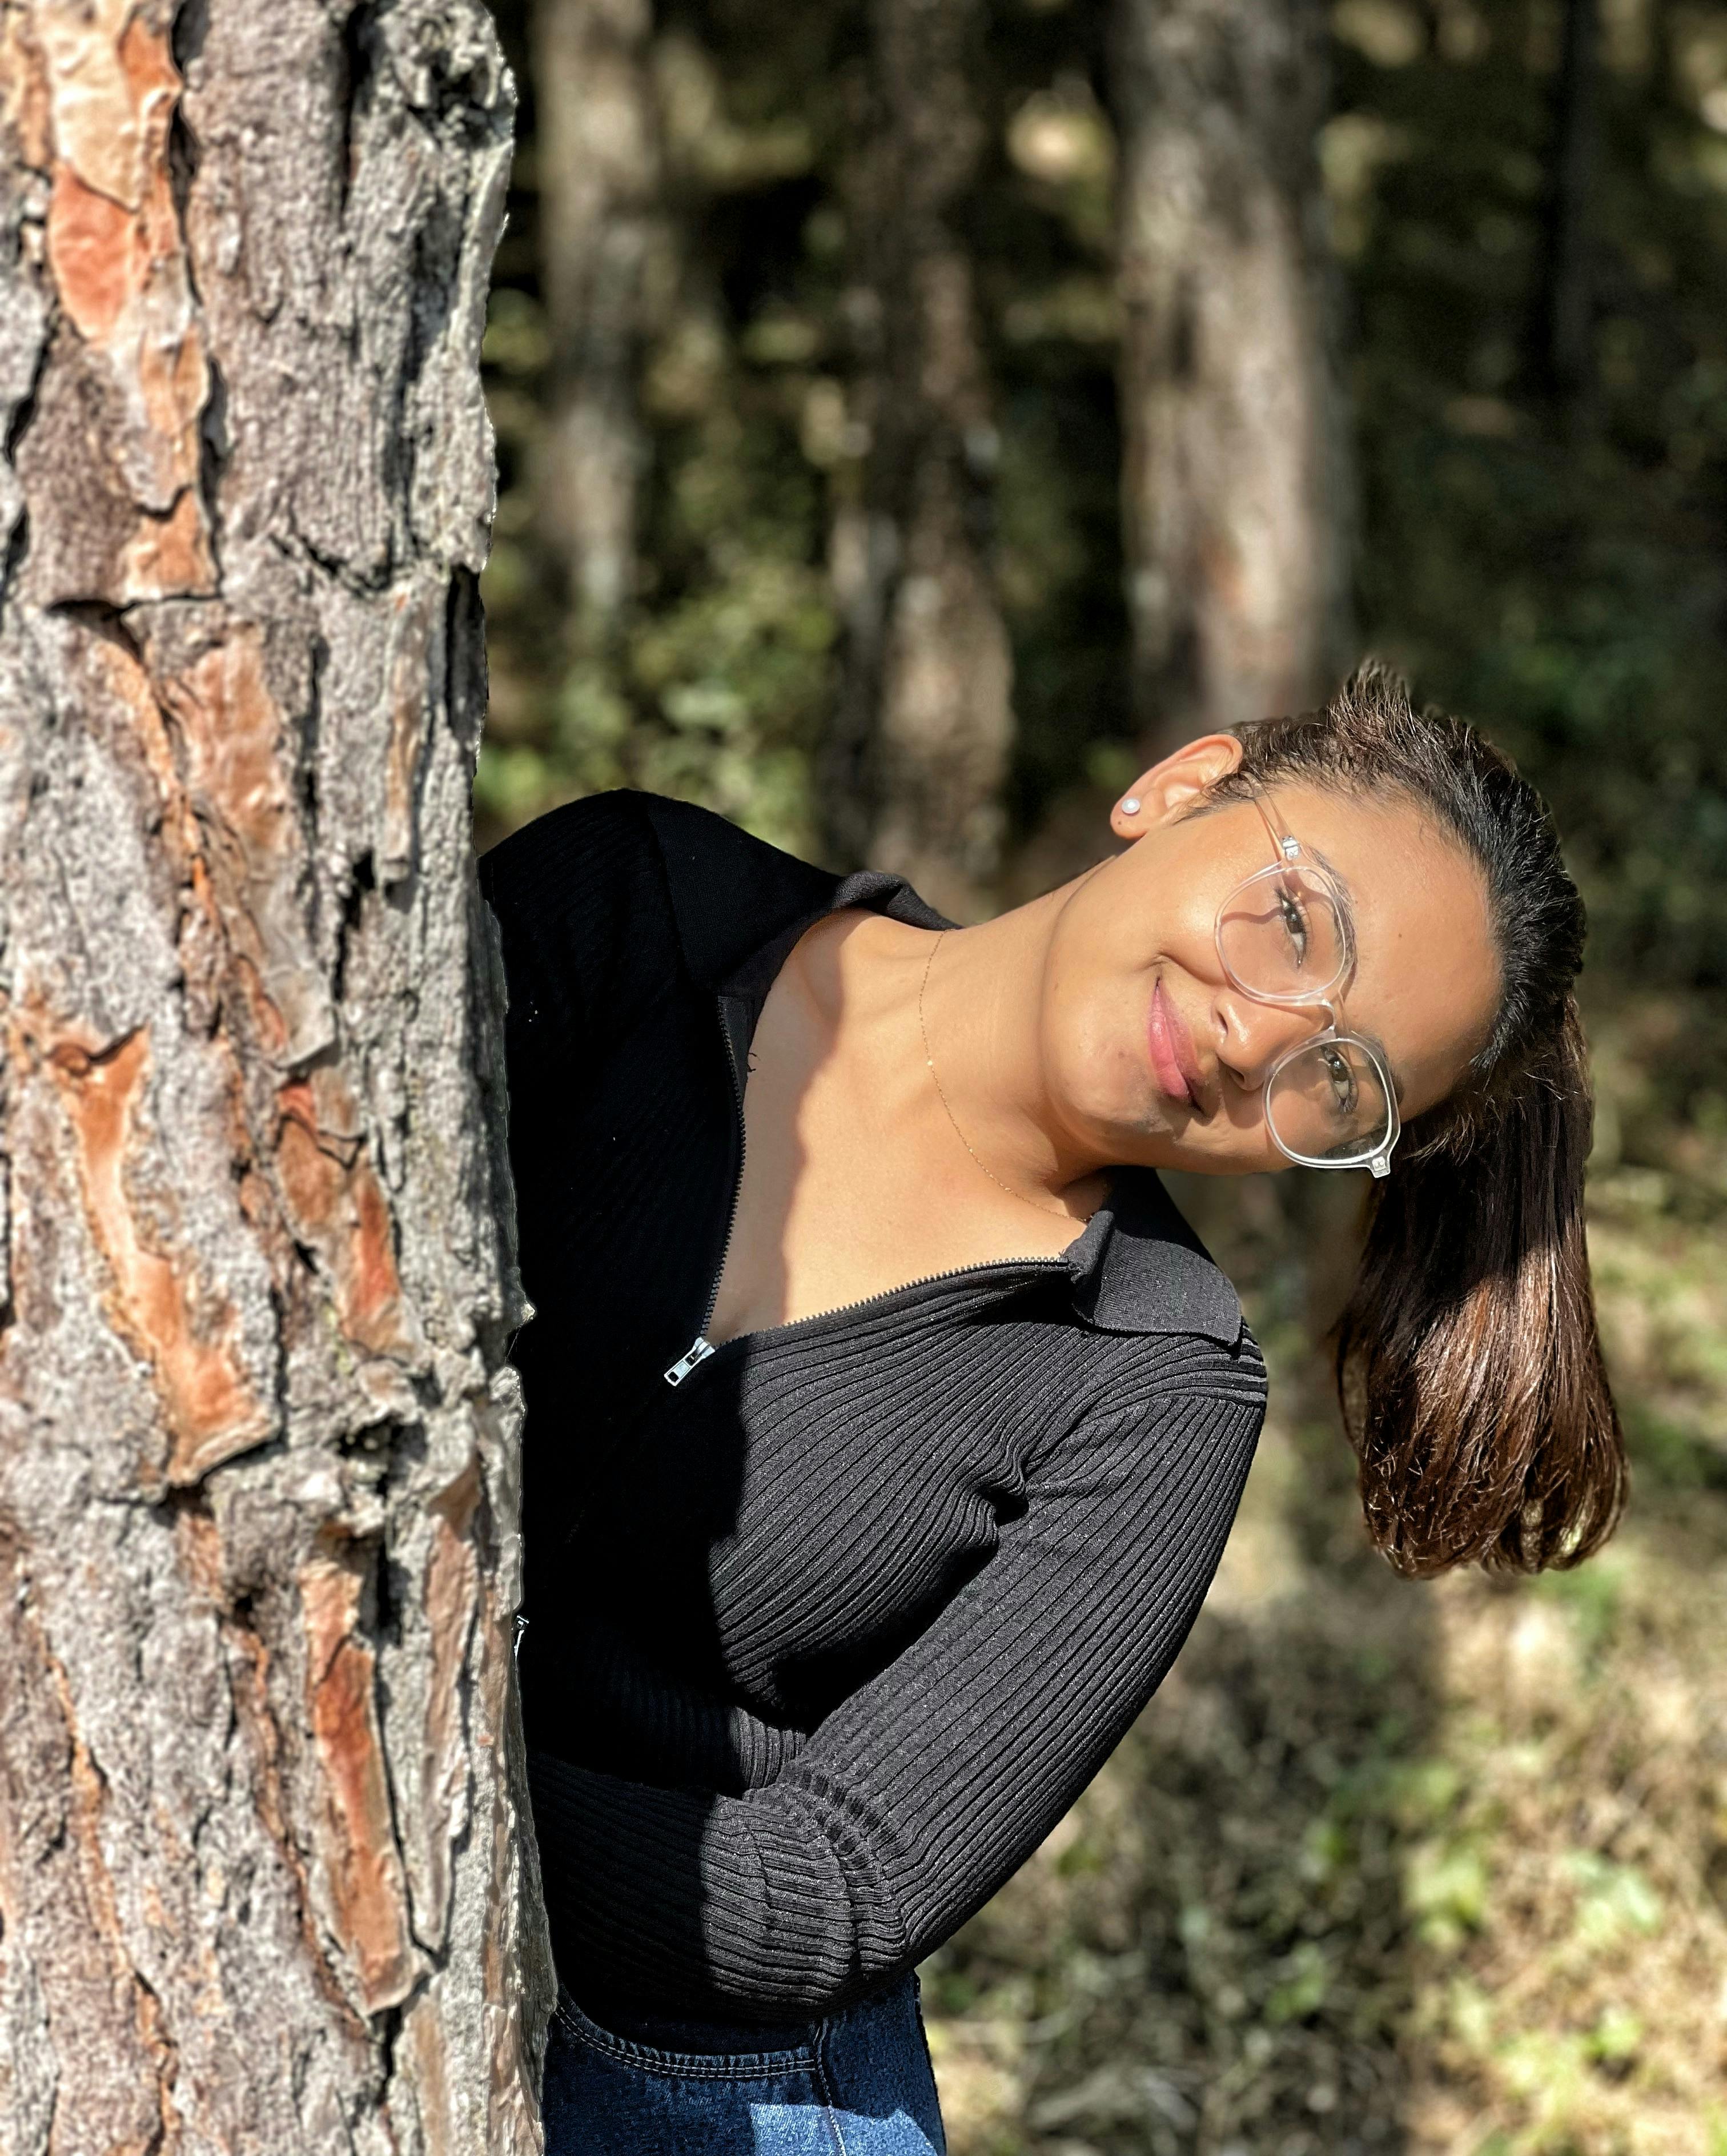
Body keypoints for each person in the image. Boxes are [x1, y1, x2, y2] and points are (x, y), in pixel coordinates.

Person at [478, 665, 1625, 2155]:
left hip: (699, 2087)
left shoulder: (1154, 1384)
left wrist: (401, 1774)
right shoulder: (633, 906)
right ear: (1183, 786)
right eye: (1294, 919)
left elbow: (836, 1891)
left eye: (1338, 1081)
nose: (1251, 1039)